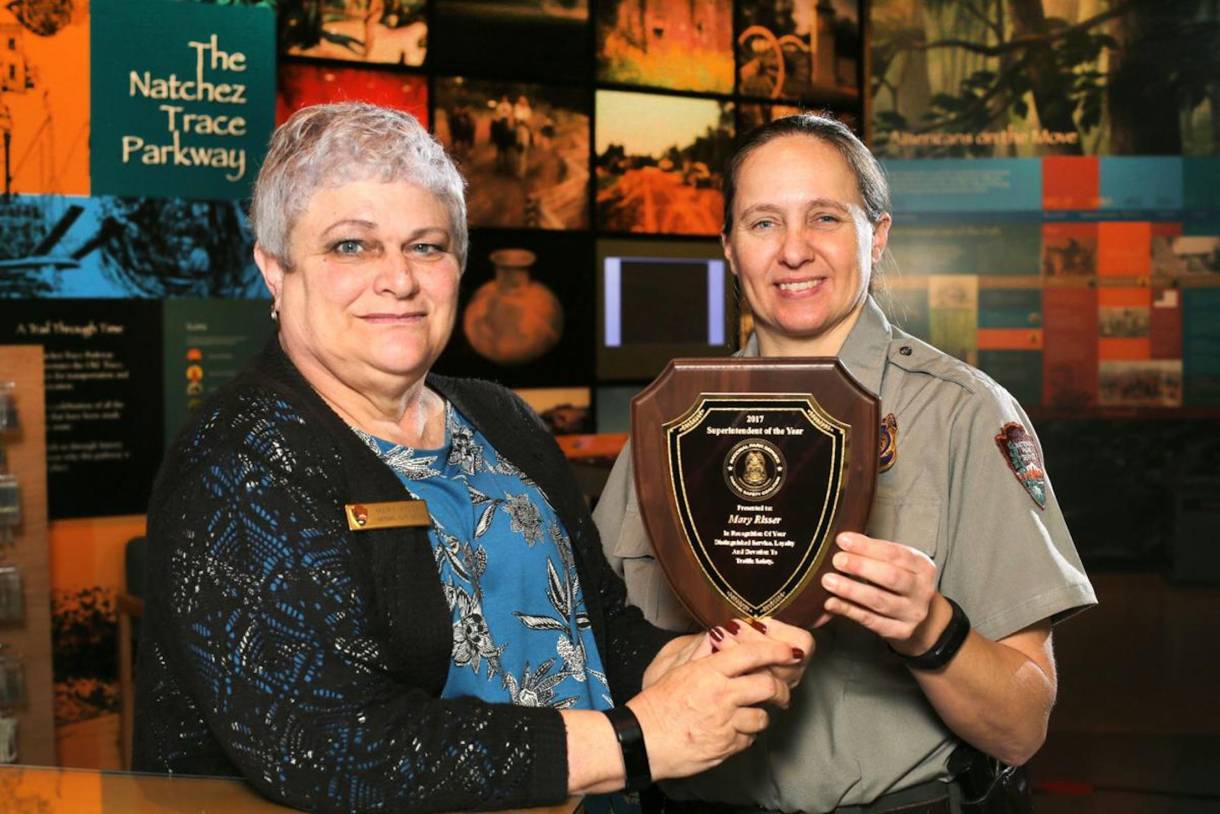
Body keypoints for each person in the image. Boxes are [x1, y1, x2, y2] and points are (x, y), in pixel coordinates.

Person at [133, 102, 812, 813]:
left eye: (425, 246)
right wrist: (639, 740)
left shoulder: (499, 417)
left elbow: (595, 626)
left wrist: (689, 665)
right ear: (275, 269)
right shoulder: (242, 459)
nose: (398, 279)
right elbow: (328, 744)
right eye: (351, 247)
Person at [593, 113, 1097, 813]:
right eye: (763, 223)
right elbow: (585, 650)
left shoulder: (960, 413)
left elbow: (1020, 727)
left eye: (825, 217)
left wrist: (930, 629)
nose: (794, 251)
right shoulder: (673, 422)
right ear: (730, 250)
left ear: (878, 235)